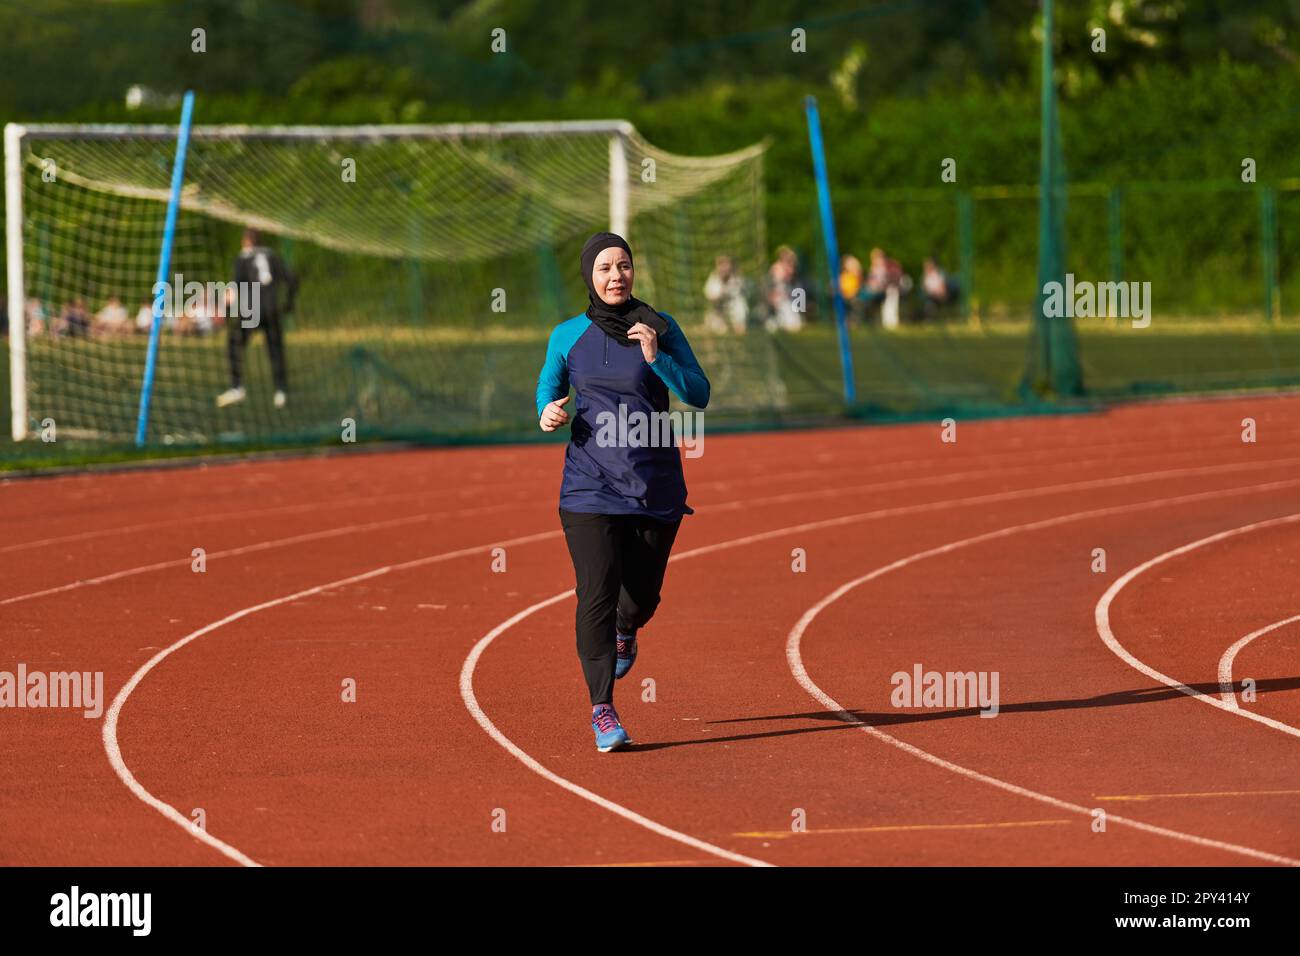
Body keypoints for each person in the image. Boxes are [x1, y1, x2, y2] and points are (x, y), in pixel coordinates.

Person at [536, 231, 711, 752]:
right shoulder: (566, 335)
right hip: (588, 486)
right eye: (605, 268)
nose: (616, 276)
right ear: (590, 276)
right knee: (596, 590)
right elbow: (549, 385)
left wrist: (657, 355)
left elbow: (698, 395)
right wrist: (546, 410)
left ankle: (627, 629)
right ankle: (602, 709)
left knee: (641, 597)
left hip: (654, 484)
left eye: (624, 266)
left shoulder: (660, 326)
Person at [217, 228, 298, 409]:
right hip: (272, 308)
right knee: (275, 350)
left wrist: (225, 312)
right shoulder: (272, 255)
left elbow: (234, 289)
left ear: (246, 241)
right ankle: (281, 392)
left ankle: (237, 387)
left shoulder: (243, 257)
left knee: (234, 344)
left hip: (251, 310)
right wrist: (289, 304)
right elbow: (292, 279)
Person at [703, 254, 750, 334]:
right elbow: (710, 297)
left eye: (726, 265)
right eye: (721, 265)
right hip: (719, 312)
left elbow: (745, 294)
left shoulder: (737, 279)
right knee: (721, 330)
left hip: (734, 310)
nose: (724, 268)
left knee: (740, 323)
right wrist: (721, 293)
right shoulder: (713, 280)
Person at [764, 245, 806, 332]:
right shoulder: (776, 267)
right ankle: (773, 323)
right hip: (779, 294)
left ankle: (777, 323)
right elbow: (772, 283)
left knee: (794, 321)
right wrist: (772, 294)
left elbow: (793, 281)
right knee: (785, 316)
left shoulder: (791, 267)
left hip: (789, 294)